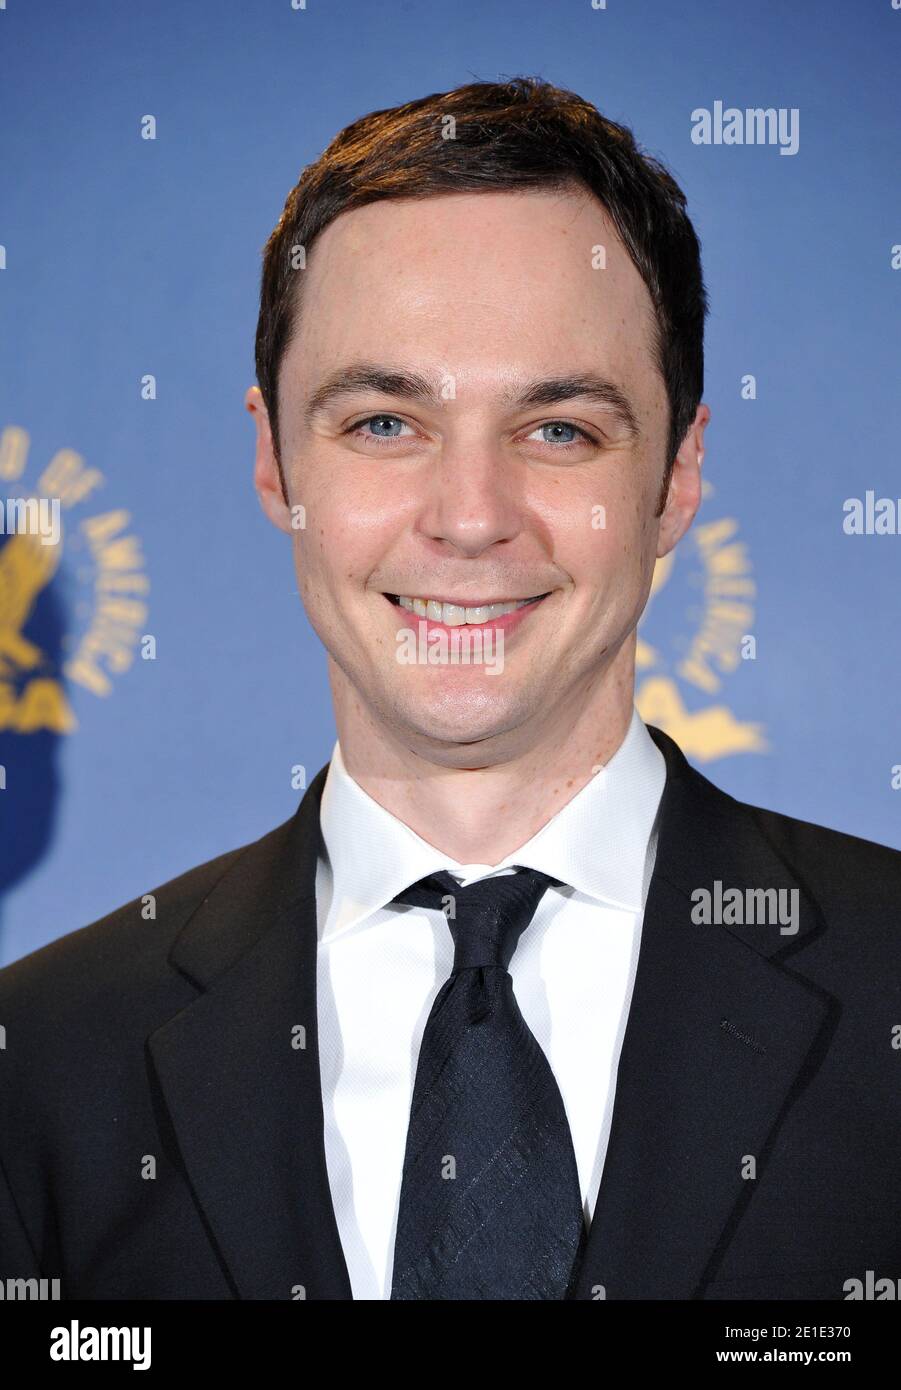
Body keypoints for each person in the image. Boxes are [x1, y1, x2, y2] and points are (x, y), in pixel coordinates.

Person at [1, 77, 899, 1302]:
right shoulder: (42, 1062)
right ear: (274, 461)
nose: (469, 519)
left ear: (678, 477)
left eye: (560, 430)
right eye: (382, 423)